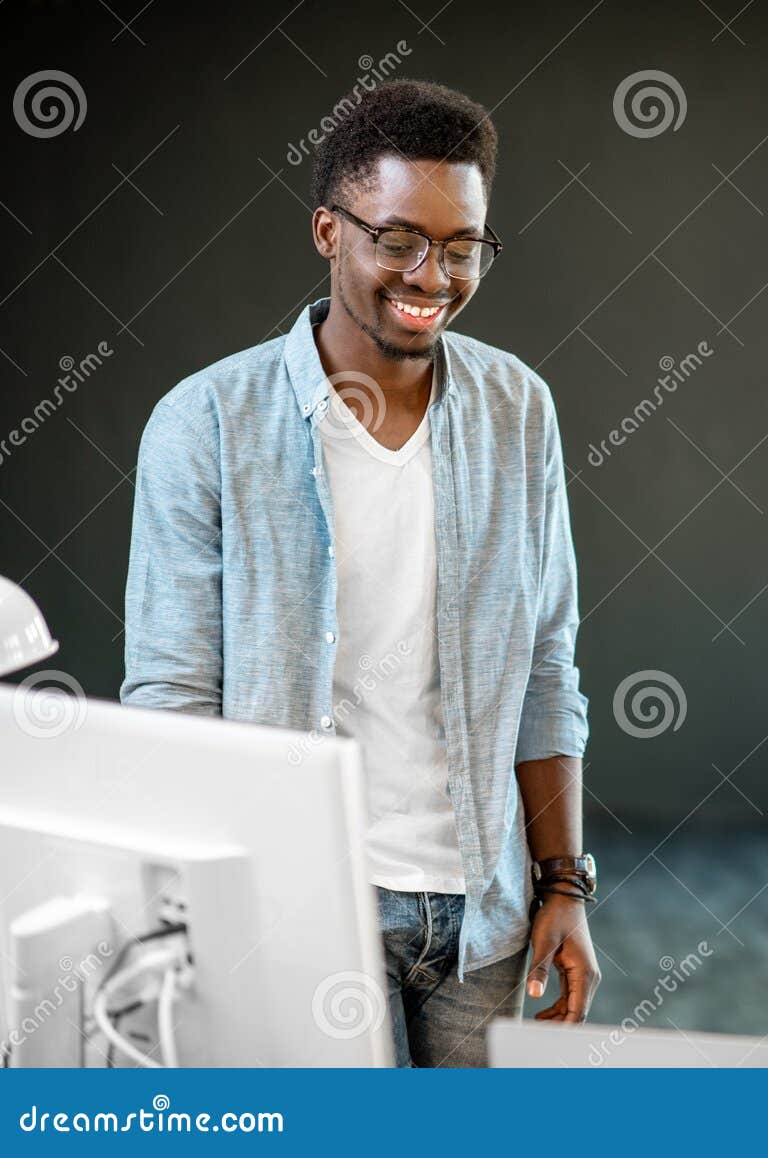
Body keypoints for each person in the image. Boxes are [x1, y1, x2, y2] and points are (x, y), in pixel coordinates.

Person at [121, 80, 600, 1066]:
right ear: (328, 231)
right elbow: (172, 703)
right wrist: (196, 918)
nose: (432, 274)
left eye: (462, 245)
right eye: (398, 240)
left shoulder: (518, 411)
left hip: (487, 917)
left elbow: (548, 669)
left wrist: (564, 886)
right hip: (298, 908)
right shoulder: (204, 426)